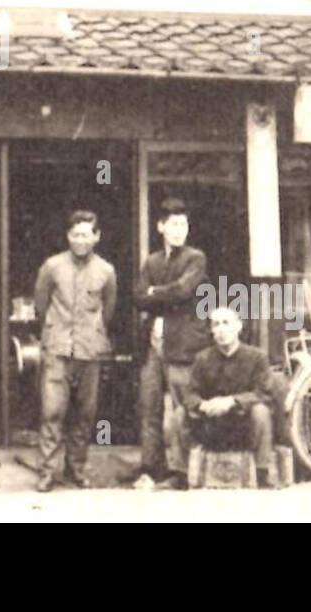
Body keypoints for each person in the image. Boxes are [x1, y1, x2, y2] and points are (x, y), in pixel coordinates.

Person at [32, 209, 117, 492]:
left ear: (97, 237)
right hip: (57, 349)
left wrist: (91, 334)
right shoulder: (52, 266)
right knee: (52, 411)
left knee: (84, 413)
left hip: (89, 352)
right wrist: (55, 332)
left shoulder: (106, 271)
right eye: (76, 234)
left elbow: (108, 310)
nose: (81, 240)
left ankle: (76, 469)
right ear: (68, 236)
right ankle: (46, 472)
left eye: (86, 235)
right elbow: (40, 306)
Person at [130, 198, 210, 489]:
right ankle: (151, 468)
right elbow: (138, 296)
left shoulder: (195, 258)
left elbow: (183, 291)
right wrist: (155, 293)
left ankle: (182, 471)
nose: (179, 230)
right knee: (149, 407)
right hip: (153, 345)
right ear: (160, 226)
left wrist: (155, 292)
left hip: (183, 345)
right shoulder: (151, 261)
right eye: (173, 224)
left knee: (182, 409)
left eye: (183, 224)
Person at [171, 306, 286, 488]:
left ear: (238, 327)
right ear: (211, 330)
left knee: (261, 411)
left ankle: (263, 474)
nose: (221, 330)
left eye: (226, 323)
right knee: (179, 414)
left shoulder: (256, 357)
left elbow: (264, 393)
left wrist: (232, 402)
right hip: (212, 427)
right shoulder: (203, 358)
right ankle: (179, 476)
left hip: (243, 428)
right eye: (216, 324)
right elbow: (189, 393)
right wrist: (202, 405)